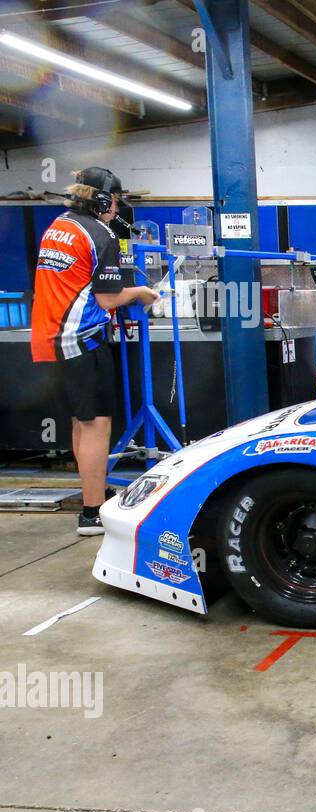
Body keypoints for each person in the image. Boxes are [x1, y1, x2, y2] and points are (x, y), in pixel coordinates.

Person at [30, 166, 159, 536]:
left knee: (80, 422)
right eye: (116, 201)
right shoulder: (99, 234)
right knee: (97, 423)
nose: (118, 209)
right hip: (81, 339)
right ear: (103, 199)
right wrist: (141, 293)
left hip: (51, 339)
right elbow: (108, 298)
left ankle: (92, 491)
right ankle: (92, 512)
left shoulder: (59, 226)